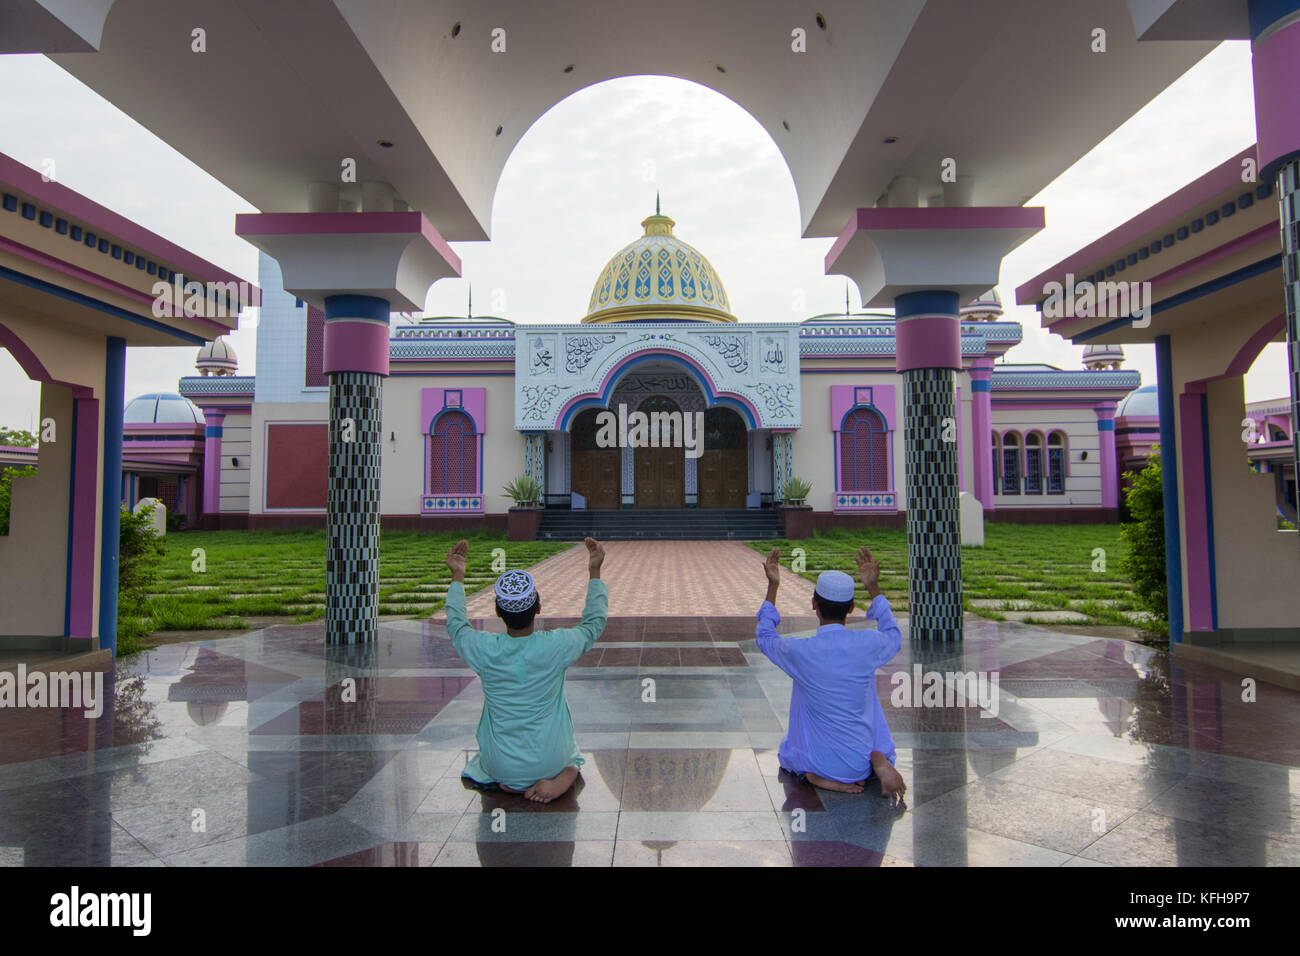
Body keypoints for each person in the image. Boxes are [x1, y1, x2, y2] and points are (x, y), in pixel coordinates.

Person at [443, 536, 608, 803]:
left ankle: (513, 783)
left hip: (501, 766)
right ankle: (567, 772)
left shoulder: (485, 649)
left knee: (489, 763)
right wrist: (595, 571)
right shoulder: (556, 646)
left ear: (498, 611)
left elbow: (457, 625)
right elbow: (592, 625)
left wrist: (458, 577)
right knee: (571, 755)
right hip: (550, 761)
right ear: (538, 609)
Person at [755, 545, 907, 801]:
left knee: (806, 690)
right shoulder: (868, 644)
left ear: (814, 604)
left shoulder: (801, 652)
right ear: (850, 609)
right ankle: (878, 758)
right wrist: (873, 588)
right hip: (861, 761)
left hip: (820, 763)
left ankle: (813, 776)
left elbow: (764, 636)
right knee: (863, 684)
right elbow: (893, 634)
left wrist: (773, 586)